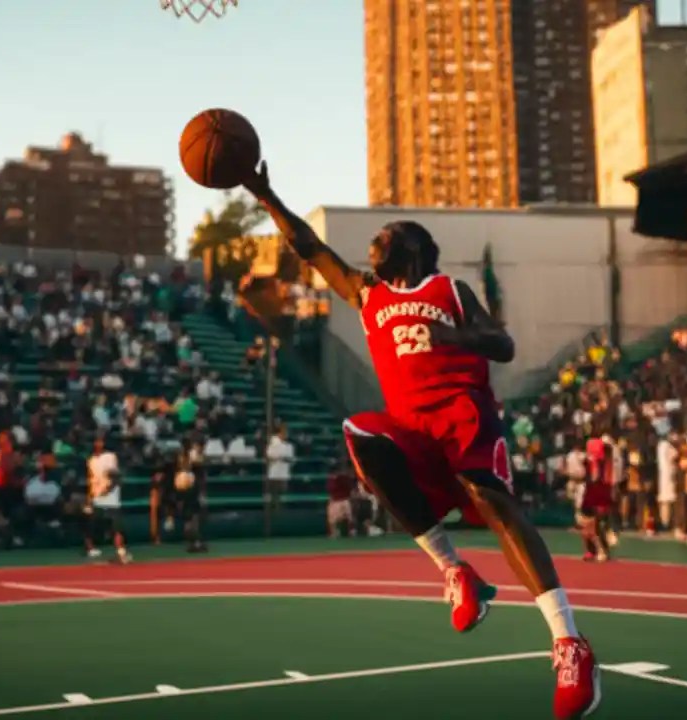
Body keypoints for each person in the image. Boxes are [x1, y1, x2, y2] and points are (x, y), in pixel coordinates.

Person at [243, 162, 599, 720]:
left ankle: (569, 643)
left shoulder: (449, 289)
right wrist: (264, 194)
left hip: (463, 415)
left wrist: (458, 335)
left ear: (412, 246)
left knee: (493, 504)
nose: (373, 242)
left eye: (384, 235)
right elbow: (310, 248)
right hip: (410, 425)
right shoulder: (368, 296)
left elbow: (502, 345)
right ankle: (456, 571)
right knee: (361, 434)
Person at [85, 437, 131, 563]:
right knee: (91, 524)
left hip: (111, 499)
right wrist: (91, 497)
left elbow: (116, 476)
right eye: (96, 441)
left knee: (116, 527)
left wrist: (108, 489)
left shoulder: (110, 457)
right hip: (96, 498)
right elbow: (91, 480)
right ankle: (90, 549)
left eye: (101, 441)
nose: (98, 444)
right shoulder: (91, 460)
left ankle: (121, 552)